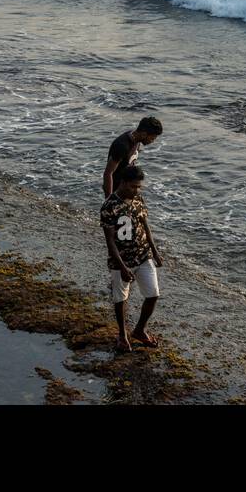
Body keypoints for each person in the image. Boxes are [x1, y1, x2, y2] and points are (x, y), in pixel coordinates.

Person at [99, 165, 163, 353]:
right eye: (134, 186)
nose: (136, 190)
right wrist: (122, 267)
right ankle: (122, 335)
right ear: (123, 182)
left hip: (143, 256)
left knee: (153, 295)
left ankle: (139, 330)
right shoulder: (109, 206)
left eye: (139, 187)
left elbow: (146, 226)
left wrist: (155, 251)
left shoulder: (138, 200)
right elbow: (110, 241)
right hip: (122, 260)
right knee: (121, 298)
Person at [103, 116, 163, 197]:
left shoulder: (136, 140)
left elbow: (130, 162)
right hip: (118, 191)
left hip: (129, 189)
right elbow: (108, 173)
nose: (152, 141)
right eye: (152, 138)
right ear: (144, 134)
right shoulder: (122, 146)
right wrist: (109, 198)